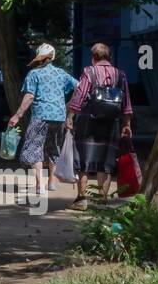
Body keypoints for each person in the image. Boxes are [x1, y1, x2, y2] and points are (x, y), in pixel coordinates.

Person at [7, 43, 78, 200]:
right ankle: (51, 181)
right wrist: (68, 105)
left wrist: (17, 116)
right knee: (53, 148)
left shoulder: (34, 74)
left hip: (40, 116)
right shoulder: (61, 73)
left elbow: (30, 96)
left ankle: (40, 185)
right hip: (59, 117)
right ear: (52, 57)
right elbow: (79, 87)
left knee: (34, 147)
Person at [66, 42, 133, 208]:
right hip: (111, 122)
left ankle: (81, 199)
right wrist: (127, 124)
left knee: (83, 159)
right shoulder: (120, 74)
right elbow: (126, 102)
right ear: (109, 57)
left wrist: (70, 116)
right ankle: (102, 200)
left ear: (93, 58)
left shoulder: (89, 71)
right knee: (107, 160)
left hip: (88, 120)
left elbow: (80, 95)